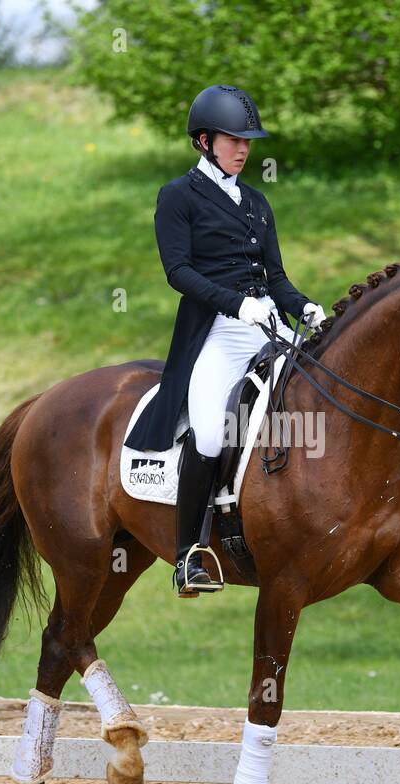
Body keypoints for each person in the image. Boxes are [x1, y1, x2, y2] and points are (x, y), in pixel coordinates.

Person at [124, 84, 329, 597]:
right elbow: (178, 272)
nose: (243, 149)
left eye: (248, 141)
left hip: (270, 326)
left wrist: (303, 305)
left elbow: (275, 277)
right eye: (233, 139)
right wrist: (236, 303)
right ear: (203, 141)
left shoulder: (257, 202)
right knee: (213, 431)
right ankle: (189, 554)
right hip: (216, 330)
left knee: (314, 404)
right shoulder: (178, 196)